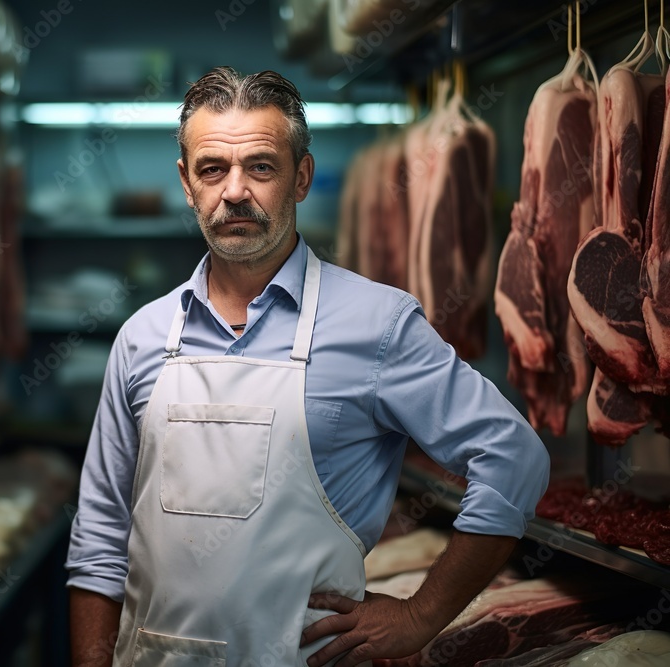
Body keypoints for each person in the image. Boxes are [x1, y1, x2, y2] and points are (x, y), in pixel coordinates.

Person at [66, 66, 550, 667]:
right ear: (187, 184)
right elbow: (101, 536)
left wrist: (421, 615)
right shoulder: (141, 337)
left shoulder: (378, 324)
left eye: (261, 167)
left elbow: (513, 459)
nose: (235, 191)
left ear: (301, 177)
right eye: (212, 169)